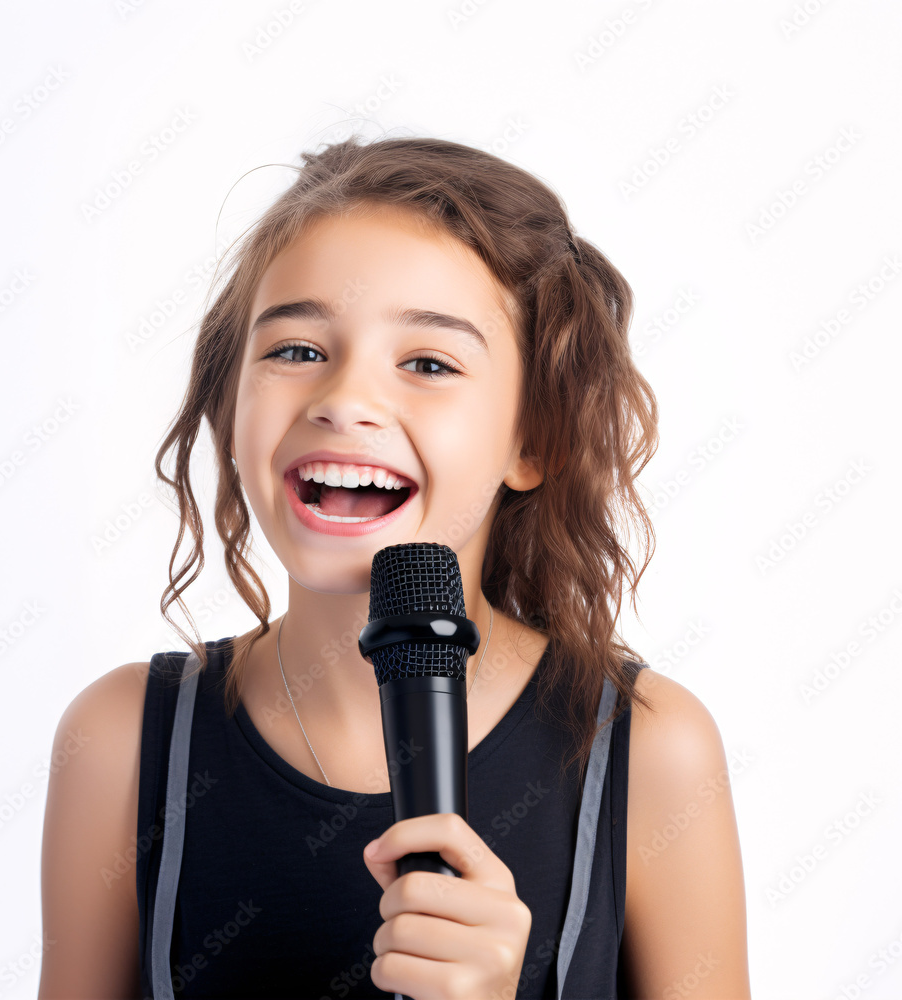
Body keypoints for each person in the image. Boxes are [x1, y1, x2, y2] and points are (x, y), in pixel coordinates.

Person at [38, 134, 751, 999]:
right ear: (230, 408)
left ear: (533, 437)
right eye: (297, 350)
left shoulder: (647, 750)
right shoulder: (123, 741)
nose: (343, 400)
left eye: (427, 363)